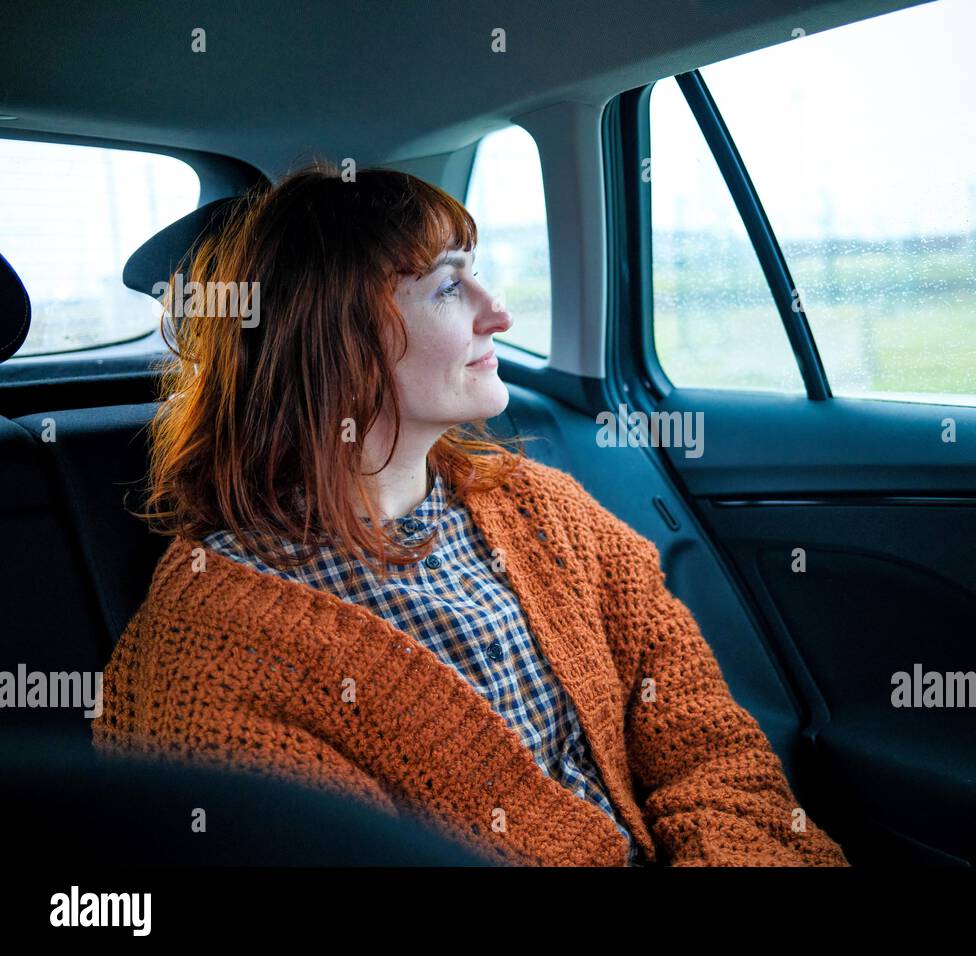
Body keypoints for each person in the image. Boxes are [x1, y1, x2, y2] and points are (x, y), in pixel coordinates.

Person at [91, 161, 849, 867]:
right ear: (330, 336)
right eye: (449, 288)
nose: (501, 314)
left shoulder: (544, 511)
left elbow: (710, 749)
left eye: (475, 277)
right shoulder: (207, 659)